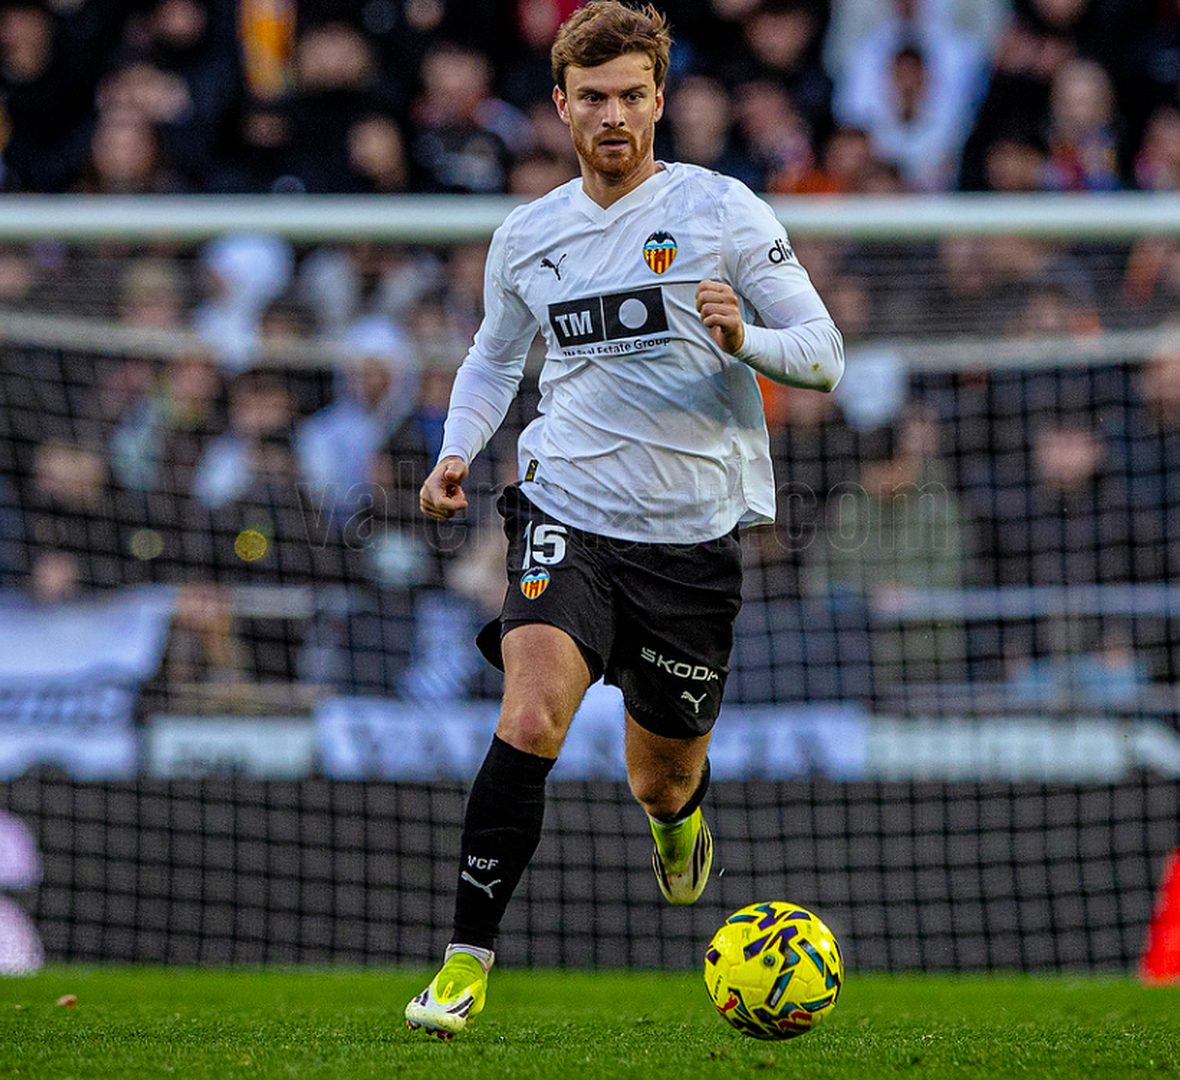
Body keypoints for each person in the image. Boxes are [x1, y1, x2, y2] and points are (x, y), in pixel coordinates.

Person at [402, 1, 843, 1038]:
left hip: (691, 546)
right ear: (561, 105)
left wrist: (750, 345)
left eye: (631, 96)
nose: (613, 115)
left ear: (660, 100)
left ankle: (679, 822)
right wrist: (457, 448)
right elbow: (493, 357)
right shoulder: (529, 235)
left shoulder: (721, 212)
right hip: (566, 511)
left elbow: (824, 354)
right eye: (592, 97)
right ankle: (464, 962)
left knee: (662, 774)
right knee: (533, 713)